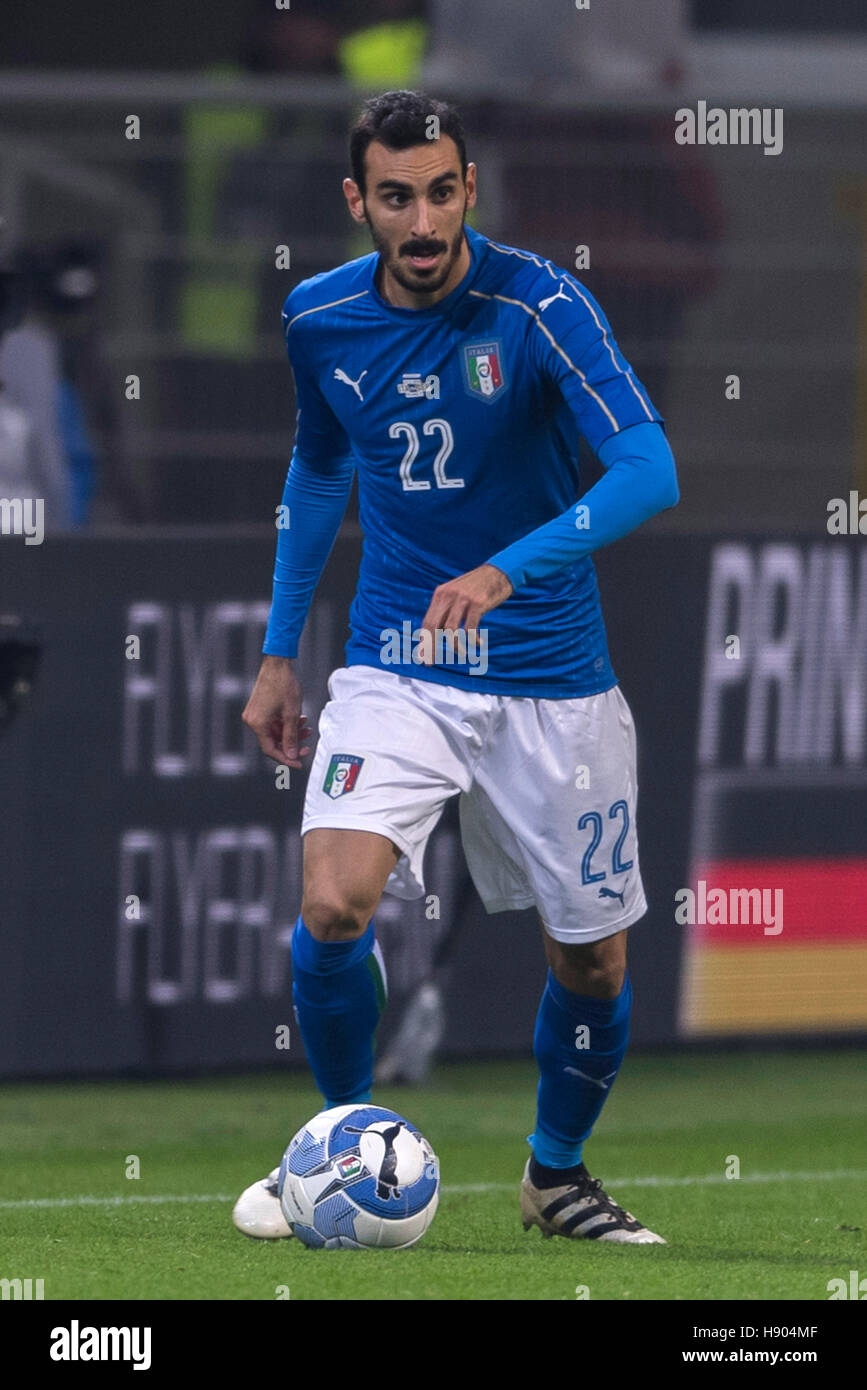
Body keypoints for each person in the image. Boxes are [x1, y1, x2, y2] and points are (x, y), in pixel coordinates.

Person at [234, 90, 678, 1245]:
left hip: (550, 675)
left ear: (470, 187)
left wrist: (507, 568)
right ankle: (345, 1143)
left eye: (441, 191)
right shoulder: (320, 316)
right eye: (396, 197)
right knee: (335, 903)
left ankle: (556, 1176)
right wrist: (282, 652)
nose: (422, 221)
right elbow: (319, 468)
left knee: (593, 959)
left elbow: (647, 467)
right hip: (400, 660)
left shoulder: (539, 303)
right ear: (358, 202)